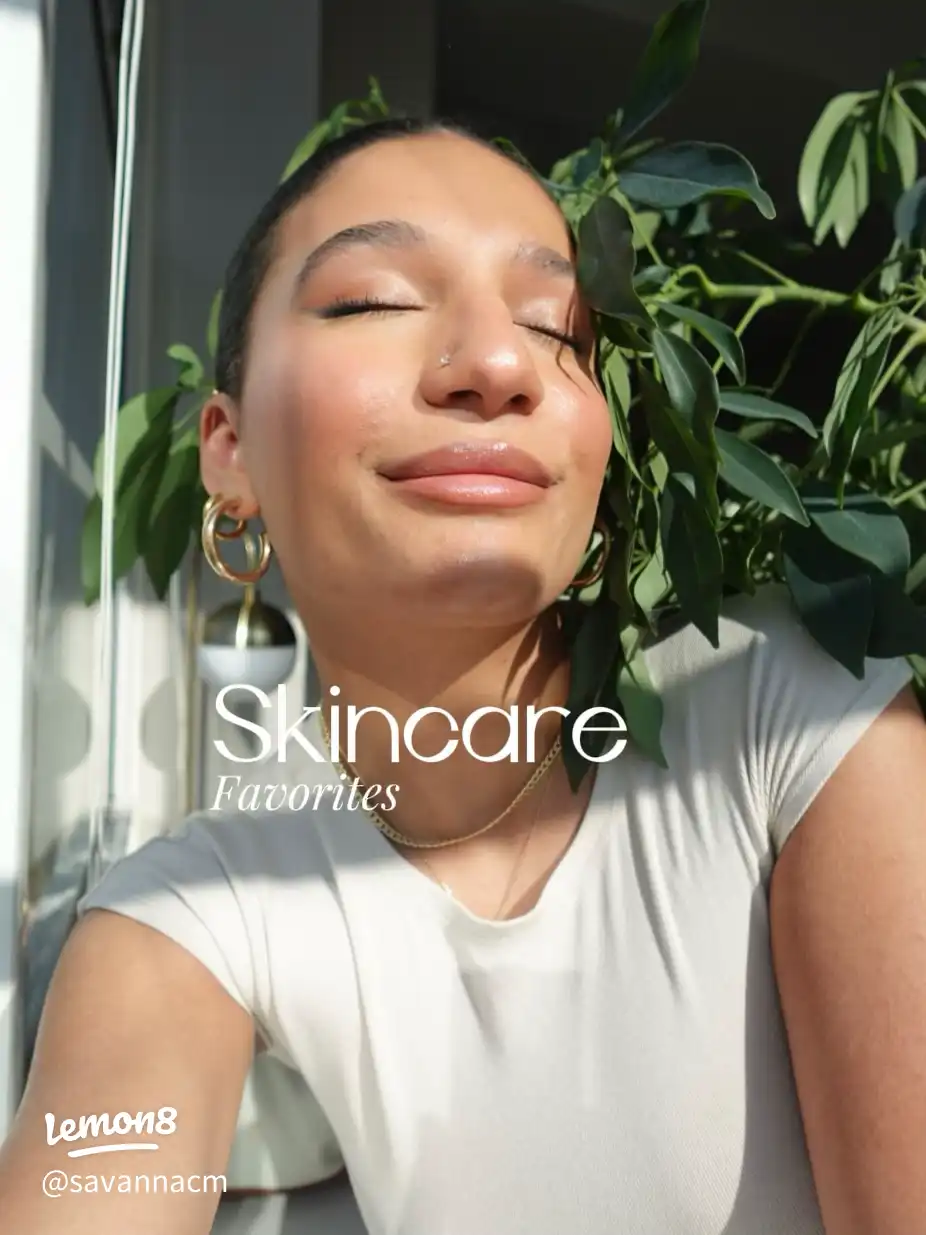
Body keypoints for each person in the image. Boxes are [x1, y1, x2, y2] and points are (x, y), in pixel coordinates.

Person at [2, 116, 925, 1235]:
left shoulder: (792, 712)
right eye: (372, 300)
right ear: (229, 450)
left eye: (554, 329)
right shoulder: (198, 909)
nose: (497, 366)